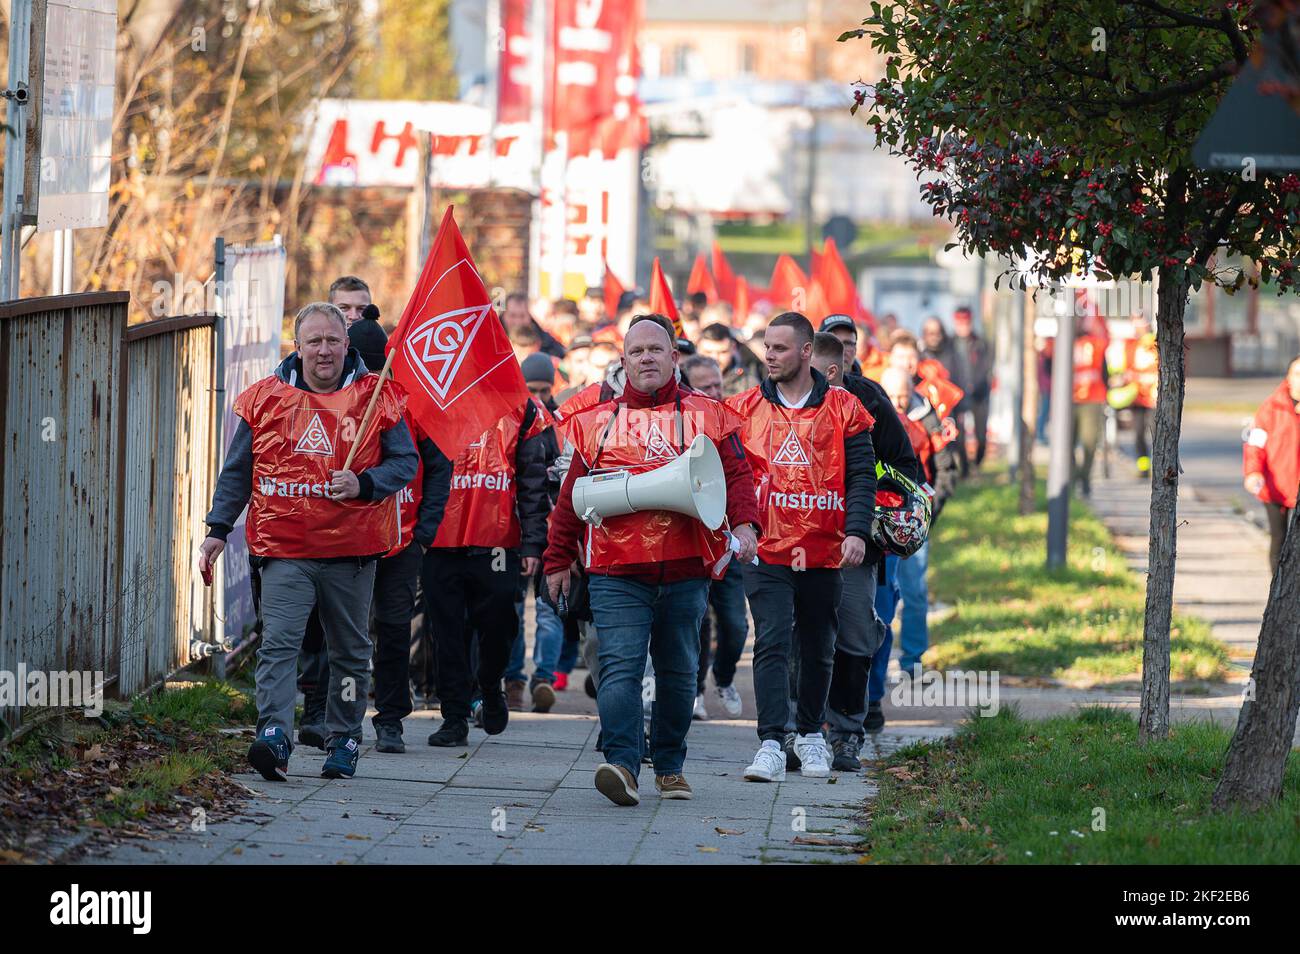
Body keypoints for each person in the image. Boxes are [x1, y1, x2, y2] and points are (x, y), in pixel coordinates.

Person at [545, 315, 761, 806]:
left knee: (679, 670)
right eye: (637, 351)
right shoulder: (596, 422)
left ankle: (669, 765)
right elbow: (570, 497)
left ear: (673, 359)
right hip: (615, 571)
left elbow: (737, 474)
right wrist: (558, 558)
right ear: (623, 362)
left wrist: (746, 524)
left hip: (685, 569)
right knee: (620, 669)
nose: (646, 358)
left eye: (655, 350)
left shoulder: (707, 413)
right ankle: (622, 764)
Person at [198, 302, 418, 781]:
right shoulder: (264, 399)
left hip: (352, 551)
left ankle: (343, 739)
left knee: (350, 650)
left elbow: (406, 464)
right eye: (314, 340)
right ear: (297, 346)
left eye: (333, 340)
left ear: (347, 345)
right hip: (284, 548)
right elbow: (239, 470)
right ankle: (274, 736)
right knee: (279, 644)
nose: (324, 350)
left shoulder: (377, 396)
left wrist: (364, 484)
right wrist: (218, 529)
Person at [726, 313, 876, 782]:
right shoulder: (744, 408)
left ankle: (811, 735)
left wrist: (856, 531)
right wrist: (742, 525)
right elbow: (732, 476)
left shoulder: (846, 408)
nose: (769, 355)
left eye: (780, 348)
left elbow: (862, 475)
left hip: (825, 547)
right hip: (765, 547)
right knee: (770, 640)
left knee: (818, 644)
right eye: (767, 347)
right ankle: (772, 741)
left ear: (807, 351)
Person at [809, 332, 919, 769]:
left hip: (856, 544)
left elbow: (906, 468)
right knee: (802, 635)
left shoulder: (869, 400)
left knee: (854, 631)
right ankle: (801, 731)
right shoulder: (776, 399)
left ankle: (848, 732)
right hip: (794, 545)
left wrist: (865, 498)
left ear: (829, 370)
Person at [424, 396, 553, 746]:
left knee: (498, 624)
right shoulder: (433, 401)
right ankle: (455, 715)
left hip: (496, 539)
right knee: (447, 632)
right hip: (440, 538)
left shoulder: (520, 407)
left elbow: (533, 481)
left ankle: (490, 683)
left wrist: (532, 543)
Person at [679, 354, 750, 720]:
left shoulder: (730, 421)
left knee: (736, 624)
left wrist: (745, 523)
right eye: (706, 387)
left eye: (718, 385)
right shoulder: (679, 423)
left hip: (726, 540)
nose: (715, 392)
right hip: (690, 538)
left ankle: (724, 677)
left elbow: (742, 476)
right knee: (695, 620)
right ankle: (694, 690)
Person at [504, 353, 566, 712]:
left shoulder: (559, 421)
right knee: (513, 609)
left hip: (552, 529)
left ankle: (543, 676)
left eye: (545, 390)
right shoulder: (516, 417)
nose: (539, 397)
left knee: (549, 606)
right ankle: (514, 679)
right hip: (516, 529)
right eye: (532, 389)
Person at [1243, 355, 1300, 573]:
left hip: (1298, 485)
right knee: (1279, 539)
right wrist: (1253, 472)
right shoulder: (1271, 407)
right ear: (1288, 377)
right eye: (1297, 373)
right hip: (1275, 486)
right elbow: (1255, 445)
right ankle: (1277, 596)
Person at [1072, 317, 1109, 497]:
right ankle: (1072, 478)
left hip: (1092, 400)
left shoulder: (1095, 344)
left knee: (1089, 441)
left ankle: (1084, 477)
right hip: (1069, 401)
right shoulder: (1062, 344)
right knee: (1066, 444)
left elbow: (1104, 371)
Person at [1122, 316, 1158, 476]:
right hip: (1137, 397)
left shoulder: (1156, 345)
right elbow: (1126, 368)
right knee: (1138, 433)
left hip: (1154, 397)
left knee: (1157, 433)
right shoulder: (1131, 346)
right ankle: (1143, 467)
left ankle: (1159, 465)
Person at [696, 321, 764, 396]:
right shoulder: (684, 378)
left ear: (733, 348)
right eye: (708, 352)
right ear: (698, 348)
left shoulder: (748, 385)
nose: (715, 358)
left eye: (723, 352)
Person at [502, 291, 565, 357]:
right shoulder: (493, 338)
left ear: (529, 316)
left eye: (522, 316)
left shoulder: (544, 341)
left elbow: (561, 354)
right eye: (512, 315)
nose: (517, 321)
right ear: (503, 315)